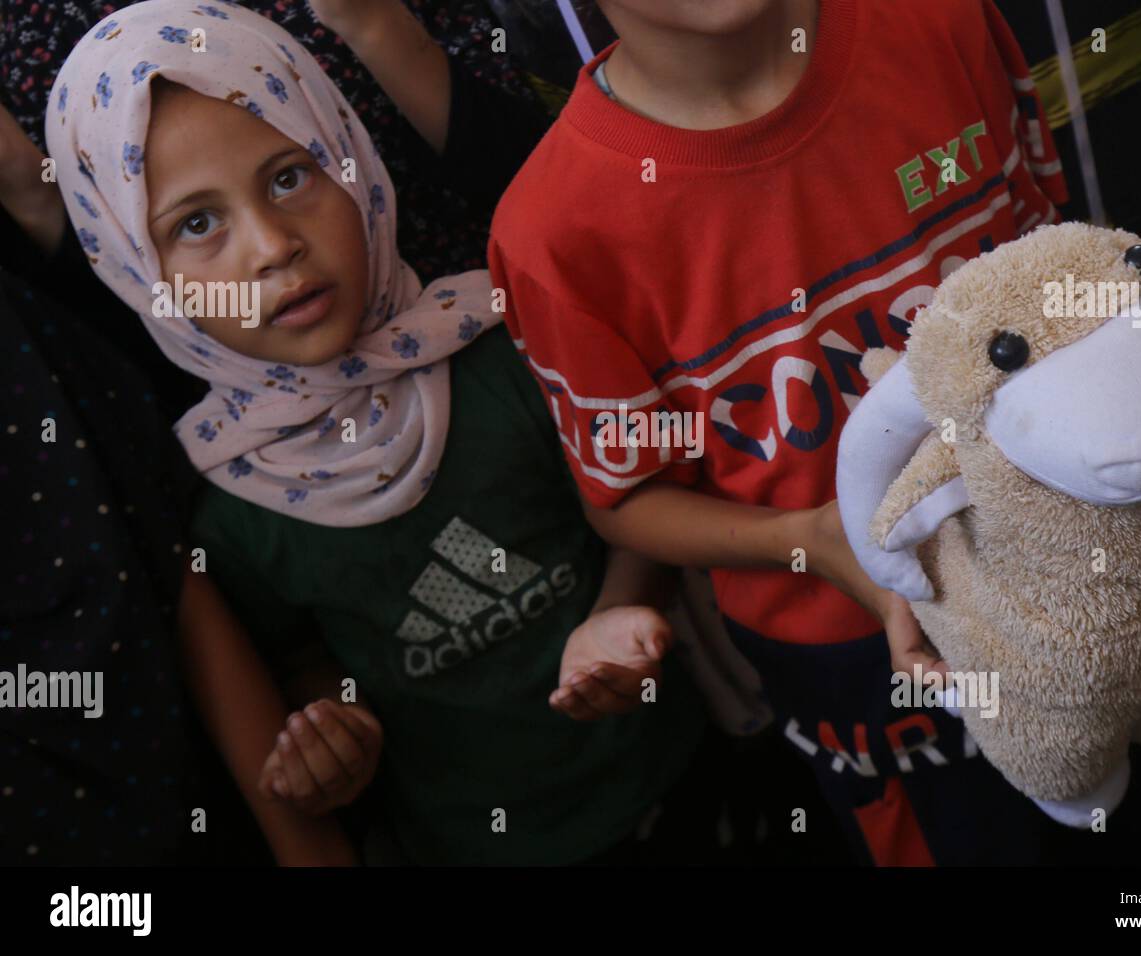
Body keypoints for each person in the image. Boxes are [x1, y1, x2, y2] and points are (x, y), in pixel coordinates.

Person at [487, 0, 1141, 865]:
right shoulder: (552, 231)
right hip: (854, 664)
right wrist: (813, 541)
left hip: (1080, 571)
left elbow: (1055, 268)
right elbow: (628, 500)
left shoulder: (941, 26)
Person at [45, 0, 705, 865]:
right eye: (195, 225)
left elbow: (640, 496)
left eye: (289, 175)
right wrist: (331, 737)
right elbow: (303, 660)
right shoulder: (227, 506)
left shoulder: (507, 347)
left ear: (348, 153)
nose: (273, 247)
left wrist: (625, 612)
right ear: (137, 270)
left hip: (696, 789)